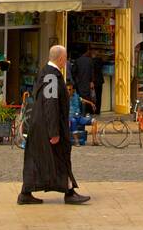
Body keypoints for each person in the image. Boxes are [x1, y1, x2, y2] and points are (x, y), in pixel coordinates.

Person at [18, 45, 90, 205]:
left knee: (37, 159)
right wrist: (54, 131)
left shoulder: (46, 73)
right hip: (48, 127)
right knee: (61, 157)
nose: (66, 61)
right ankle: (69, 193)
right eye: (65, 58)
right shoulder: (51, 77)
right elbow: (50, 104)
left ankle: (26, 192)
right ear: (61, 59)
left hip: (40, 126)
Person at [67, 81, 95, 145]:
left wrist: (91, 103)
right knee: (73, 121)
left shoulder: (76, 96)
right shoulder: (64, 98)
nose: (68, 91)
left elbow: (82, 100)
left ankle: (94, 141)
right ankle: (76, 141)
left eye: (70, 89)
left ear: (73, 90)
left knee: (94, 121)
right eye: (67, 89)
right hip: (70, 117)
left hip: (79, 117)